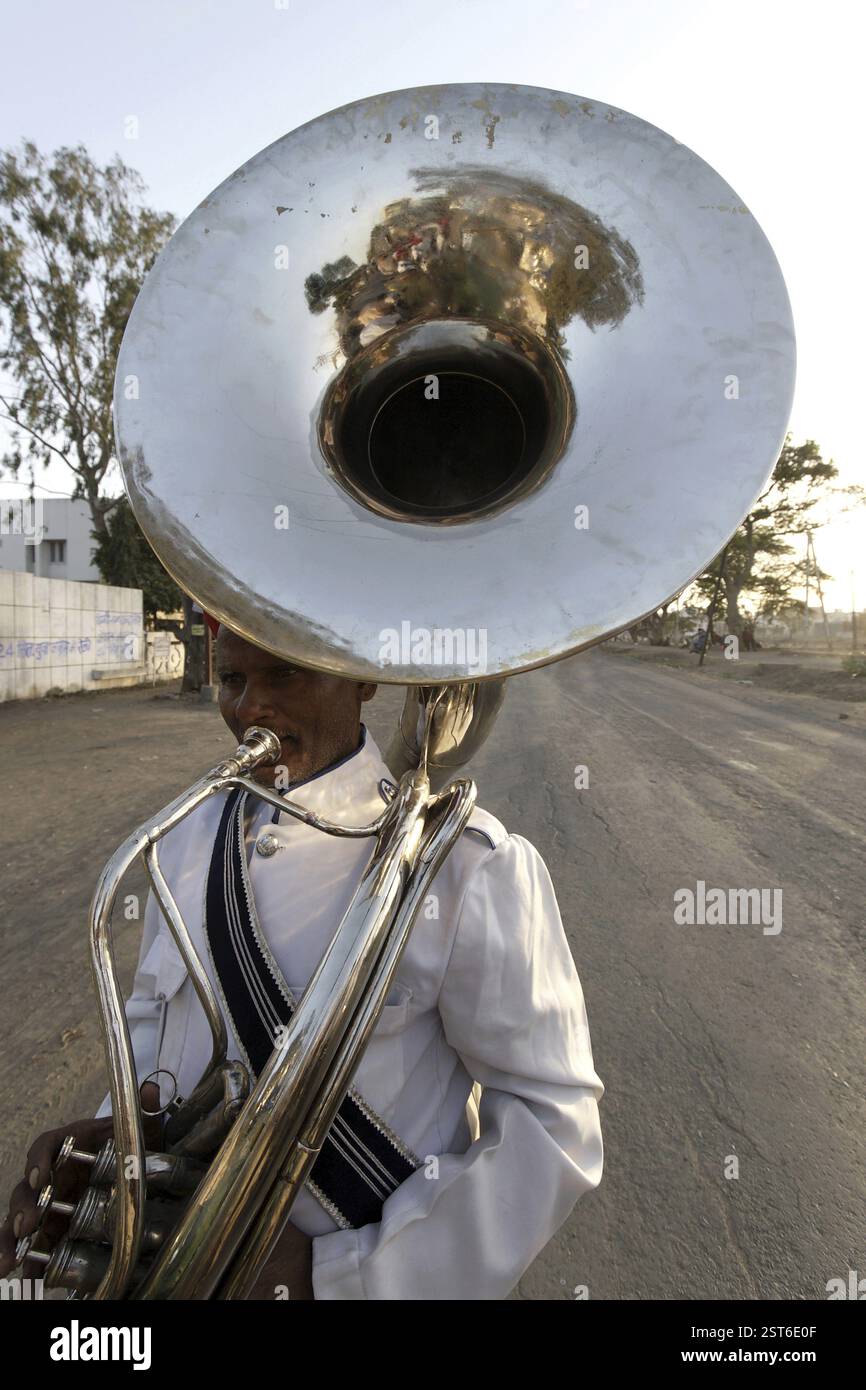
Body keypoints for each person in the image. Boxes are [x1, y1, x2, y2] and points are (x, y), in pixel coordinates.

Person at [0, 624, 603, 1300]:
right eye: (233, 680)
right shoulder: (186, 838)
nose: (249, 707)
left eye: (283, 674)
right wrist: (109, 1152)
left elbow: (554, 1126)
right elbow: (150, 1031)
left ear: (364, 678)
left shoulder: (466, 866)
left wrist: (337, 1278)